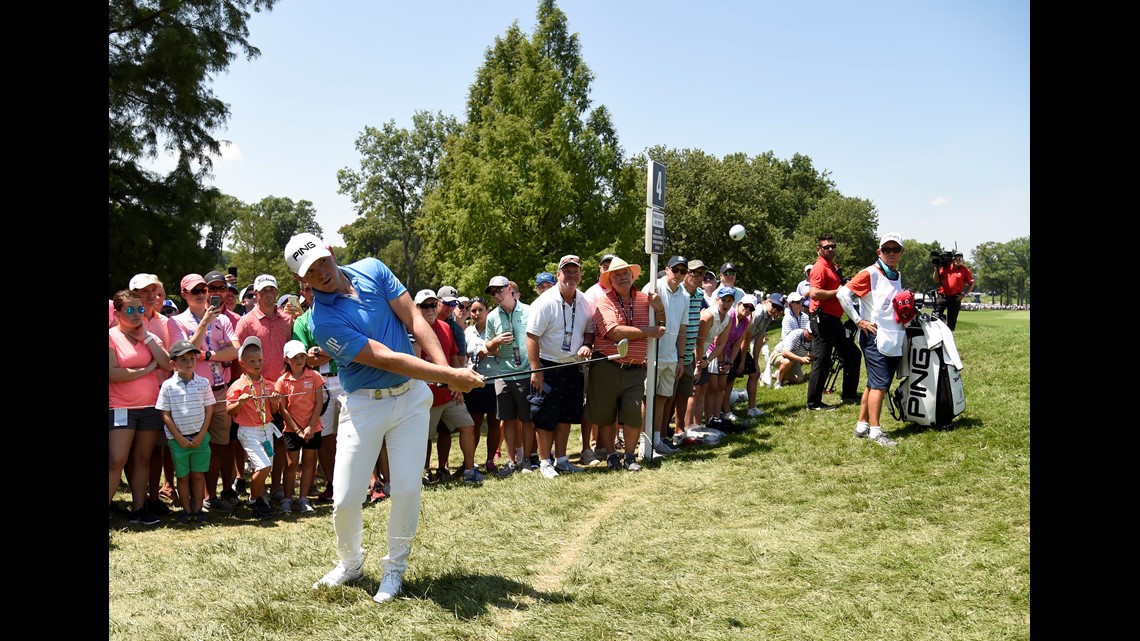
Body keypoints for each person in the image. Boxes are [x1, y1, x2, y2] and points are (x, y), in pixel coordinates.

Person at [284, 233, 483, 604]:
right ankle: (350, 563)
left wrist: (446, 371)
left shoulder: (373, 268)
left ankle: (394, 569)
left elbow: (414, 317)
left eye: (321, 261)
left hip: (410, 400)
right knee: (344, 498)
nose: (321, 272)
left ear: (331, 252)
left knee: (407, 489)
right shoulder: (322, 322)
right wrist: (447, 375)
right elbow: (383, 356)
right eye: (310, 272)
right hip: (364, 405)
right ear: (303, 281)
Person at [167, 273, 242, 513]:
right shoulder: (176, 322)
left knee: (221, 445)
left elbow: (235, 351)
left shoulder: (224, 320)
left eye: (203, 290)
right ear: (184, 295)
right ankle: (199, 498)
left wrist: (208, 355)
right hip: (192, 394)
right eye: (195, 291)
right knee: (195, 445)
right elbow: (186, 352)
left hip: (221, 391)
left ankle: (216, 494)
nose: (201, 294)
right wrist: (204, 324)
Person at [588, 256, 666, 471]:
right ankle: (612, 455)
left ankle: (630, 456)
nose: (623, 277)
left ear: (632, 277)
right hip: (607, 366)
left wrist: (660, 309)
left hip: (634, 367)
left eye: (626, 273)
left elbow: (661, 327)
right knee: (606, 414)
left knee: (633, 412)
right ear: (609, 279)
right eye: (617, 275)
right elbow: (612, 331)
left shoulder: (645, 300)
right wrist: (647, 332)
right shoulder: (603, 301)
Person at [525, 255, 597, 477]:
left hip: (572, 366)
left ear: (581, 275)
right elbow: (531, 336)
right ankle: (545, 461)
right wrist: (536, 369)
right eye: (567, 271)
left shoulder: (585, 302)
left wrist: (586, 345)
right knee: (545, 415)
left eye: (575, 271)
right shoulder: (545, 302)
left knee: (566, 415)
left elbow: (589, 330)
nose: (571, 275)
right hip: (547, 366)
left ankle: (562, 459)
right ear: (558, 275)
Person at [836, 233, 908, 447]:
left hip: (892, 336)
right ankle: (876, 432)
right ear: (879, 252)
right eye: (886, 250)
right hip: (875, 337)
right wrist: (858, 321)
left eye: (895, 250)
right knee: (880, 384)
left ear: (901, 252)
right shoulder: (870, 273)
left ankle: (862, 424)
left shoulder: (896, 274)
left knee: (873, 383)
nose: (891, 253)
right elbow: (842, 294)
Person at [109, 290, 173, 525]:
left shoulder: (149, 337)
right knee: (117, 459)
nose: (136, 314)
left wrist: (146, 338)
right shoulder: (111, 337)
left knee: (142, 459)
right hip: (120, 408)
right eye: (129, 310)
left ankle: (138, 510)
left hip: (149, 408)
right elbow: (112, 373)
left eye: (140, 309)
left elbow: (167, 364)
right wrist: (146, 370)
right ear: (117, 314)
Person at [235, 274, 295, 501]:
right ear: (256, 294)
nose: (268, 295)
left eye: (272, 290)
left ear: (276, 293)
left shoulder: (287, 320)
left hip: (279, 389)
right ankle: (257, 489)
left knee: (279, 439)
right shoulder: (247, 321)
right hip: (254, 390)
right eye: (263, 291)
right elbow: (239, 355)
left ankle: (277, 486)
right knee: (255, 439)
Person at [415, 288, 482, 484]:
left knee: (468, 426)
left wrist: (458, 382)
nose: (430, 309)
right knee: (423, 437)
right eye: (424, 306)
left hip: (450, 393)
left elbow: (453, 356)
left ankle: (470, 470)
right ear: (416, 308)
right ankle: (421, 475)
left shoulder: (445, 327)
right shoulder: (411, 329)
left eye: (433, 304)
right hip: (425, 397)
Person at [485, 276, 546, 476]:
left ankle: (527, 460)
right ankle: (512, 462)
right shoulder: (493, 317)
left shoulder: (530, 311)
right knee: (508, 420)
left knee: (527, 419)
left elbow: (539, 339)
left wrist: (536, 369)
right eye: (492, 293)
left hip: (525, 373)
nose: (495, 295)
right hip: (502, 375)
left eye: (499, 290)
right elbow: (487, 348)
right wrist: (495, 342)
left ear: (510, 288)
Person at [155, 340, 214, 523]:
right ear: (173, 364)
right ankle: (186, 510)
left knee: (198, 475)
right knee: (182, 476)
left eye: (192, 358)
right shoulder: (168, 386)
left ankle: (198, 509)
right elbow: (165, 414)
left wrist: (202, 435)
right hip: (177, 440)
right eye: (183, 359)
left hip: (200, 439)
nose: (189, 363)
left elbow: (209, 410)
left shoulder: (203, 383)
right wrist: (179, 438)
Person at [292, 287, 341, 503]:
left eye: (314, 288)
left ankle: (372, 482)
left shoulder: (339, 312)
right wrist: (335, 350)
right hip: (320, 381)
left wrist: (318, 351)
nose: (312, 292)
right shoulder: (302, 321)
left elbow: (352, 345)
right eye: (307, 289)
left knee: (358, 431)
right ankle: (332, 485)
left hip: (346, 377)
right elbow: (305, 359)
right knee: (326, 437)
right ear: (303, 292)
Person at [805, 234, 862, 410]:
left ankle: (849, 394)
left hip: (834, 320)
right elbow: (814, 293)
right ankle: (813, 402)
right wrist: (837, 292)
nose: (830, 249)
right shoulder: (819, 268)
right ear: (819, 250)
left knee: (852, 354)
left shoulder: (833, 267)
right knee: (823, 360)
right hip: (822, 319)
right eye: (826, 247)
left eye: (833, 246)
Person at [642, 255, 689, 456]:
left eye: (682, 271)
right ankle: (644, 444)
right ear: (667, 269)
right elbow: (641, 320)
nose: (678, 274)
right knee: (646, 399)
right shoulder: (652, 288)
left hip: (671, 357)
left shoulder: (685, 296)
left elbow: (682, 330)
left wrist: (681, 358)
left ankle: (657, 440)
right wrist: (643, 353)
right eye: (675, 269)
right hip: (651, 354)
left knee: (661, 399)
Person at [226, 336, 278, 519]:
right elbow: (229, 410)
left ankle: (259, 497)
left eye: (260, 360)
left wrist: (275, 401)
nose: (257, 364)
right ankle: (254, 500)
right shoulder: (238, 386)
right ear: (242, 363)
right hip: (248, 431)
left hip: (266, 429)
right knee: (263, 467)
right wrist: (239, 403)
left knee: (266, 467)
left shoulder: (268, 384)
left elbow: (275, 409)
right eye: (252, 361)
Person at [274, 339, 325, 513]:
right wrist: (297, 430)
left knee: (310, 461)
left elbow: (319, 403)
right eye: (295, 357)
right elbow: (282, 408)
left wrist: (310, 427)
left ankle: (303, 499)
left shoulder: (315, 376)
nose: (299, 360)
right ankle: (287, 499)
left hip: (313, 428)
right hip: (291, 429)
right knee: (291, 464)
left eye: (302, 356)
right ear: (286, 359)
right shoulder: (282, 381)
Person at [464, 296, 503, 473]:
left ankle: (490, 461)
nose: (477, 313)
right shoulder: (467, 332)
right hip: (475, 382)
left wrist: (490, 349)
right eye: (473, 310)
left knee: (495, 423)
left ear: (487, 311)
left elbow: (505, 352)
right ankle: (470, 462)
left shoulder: (495, 329)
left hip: (495, 381)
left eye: (480, 310)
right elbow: (464, 357)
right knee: (474, 424)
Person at [673, 259, 707, 445]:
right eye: (694, 273)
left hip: (688, 356)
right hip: (675, 354)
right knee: (669, 397)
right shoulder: (679, 294)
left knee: (684, 396)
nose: (698, 277)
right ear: (686, 274)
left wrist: (698, 357)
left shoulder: (700, 295)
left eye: (701, 274)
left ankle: (680, 432)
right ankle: (663, 434)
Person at [742, 292, 784, 417]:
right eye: (774, 306)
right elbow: (746, 337)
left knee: (755, 373)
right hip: (735, 346)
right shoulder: (759, 312)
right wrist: (741, 360)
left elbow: (759, 338)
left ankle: (751, 408)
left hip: (743, 346)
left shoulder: (768, 316)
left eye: (779, 308)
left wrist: (755, 362)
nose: (775, 310)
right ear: (767, 301)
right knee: (729, 379)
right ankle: (725, 411)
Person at [933, 251, 975, 331]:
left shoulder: (965, 270)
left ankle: (949, 337)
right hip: (943, 296)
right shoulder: (945, 268)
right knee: (935, 316)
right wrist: (936, 269)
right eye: (957, 258)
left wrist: (965, 294)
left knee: (951, 322)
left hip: (955, 297)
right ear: (953, 259)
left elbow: (972, 282)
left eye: (960, 258)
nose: (958, 260)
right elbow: (936, 280)